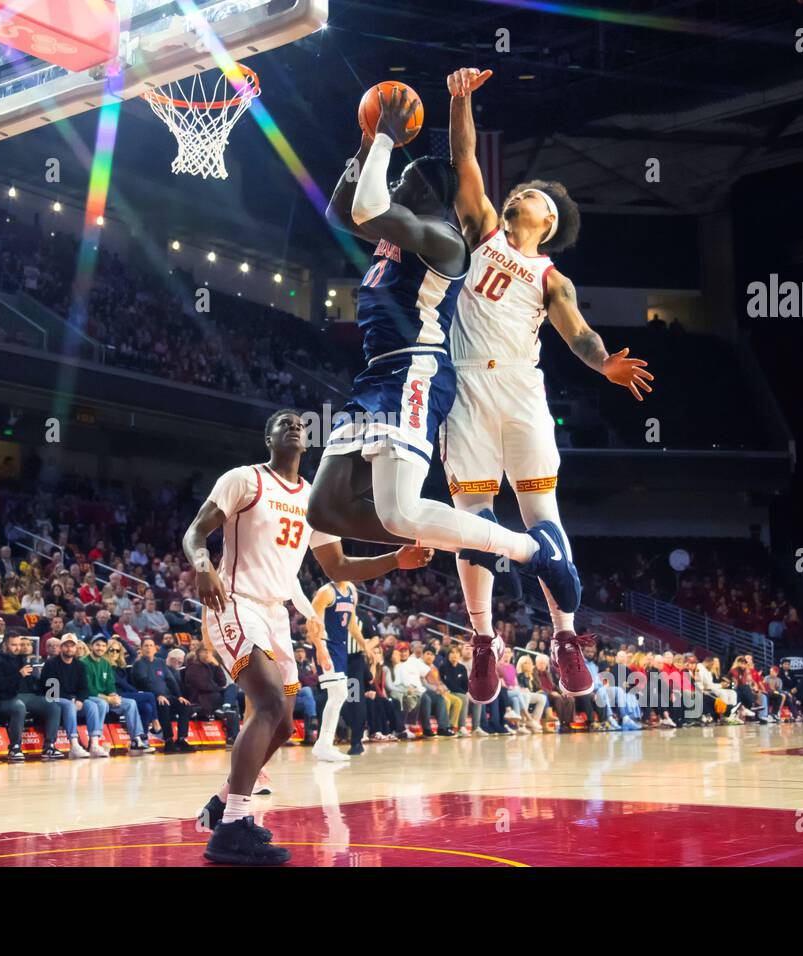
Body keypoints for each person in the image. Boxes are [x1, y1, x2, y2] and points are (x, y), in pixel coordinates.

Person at [311, 88, 583, 709]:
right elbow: (341, 210)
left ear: (424, 194)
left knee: (409, 511)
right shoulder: (392, 229)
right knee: (325, 512)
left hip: (418, 372)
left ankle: (526, 550)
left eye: (409, 174)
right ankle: (468, 545)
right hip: (376, 377)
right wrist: (364, 142)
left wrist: (384, 137)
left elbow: (374, 203)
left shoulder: (440, 239)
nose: (401, 177)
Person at [442, 65, 653, 708]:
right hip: (468, 392)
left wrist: (602, 365)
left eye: (535, 195)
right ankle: (483, 641)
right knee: (470, 522)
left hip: (523, 394)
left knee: (543, 516)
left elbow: (580, 335)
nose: (523, 195)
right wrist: (460, 101)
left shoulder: (552, 278)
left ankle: (564, 636)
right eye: (523, 191)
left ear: (549, 220)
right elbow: (463, 157)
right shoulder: (480, 228)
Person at [184, 409, 434, 865]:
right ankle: (233, 828)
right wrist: (203, 567)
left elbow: (338, 567)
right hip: (235, 601)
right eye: (283, 422)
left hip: (276, 613)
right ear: (268, 437)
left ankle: (224, 802)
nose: (295, 425)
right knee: (270, 704)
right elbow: (196, 532)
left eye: (301, 423)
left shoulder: (314, 501)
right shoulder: (244, 479)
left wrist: (396, 560)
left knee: (284, 722)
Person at [307, 579, 365, 760]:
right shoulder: (326, 592)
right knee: (338, 693)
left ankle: (324, 745)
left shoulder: (351, 589)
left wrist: (365, 646)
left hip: (341, 648)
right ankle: (324, 744)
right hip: (327, 645)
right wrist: (319, 647)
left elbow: (352, 624)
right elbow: (312, 623)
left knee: (339, 695)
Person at [82, 635, 146, 754]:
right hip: (89, 697)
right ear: (91, 646)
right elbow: (88, 688)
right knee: (102, 704)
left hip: (106, 698)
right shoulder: (84, 663)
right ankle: (94, 742)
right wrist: (107, 698)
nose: (100, 648)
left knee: (130, 703)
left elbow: (110, 684)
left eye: (103, 646)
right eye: (97, 645)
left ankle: (136, 740)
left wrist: (114, 695)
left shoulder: (105, 663)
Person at [131, 637, 193, 755]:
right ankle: (168, 740)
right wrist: (158, 694)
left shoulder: (160, 662)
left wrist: (179, 696)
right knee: (163, 705)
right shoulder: (139, 664)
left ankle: (181, 739)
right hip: (150, 697)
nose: (149, 648)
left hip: (167, 696)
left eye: (151, 645)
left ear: (155, 648)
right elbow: (144, 682)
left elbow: (170, 680)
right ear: (141, 649)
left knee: (185, 705)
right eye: (146, 646)